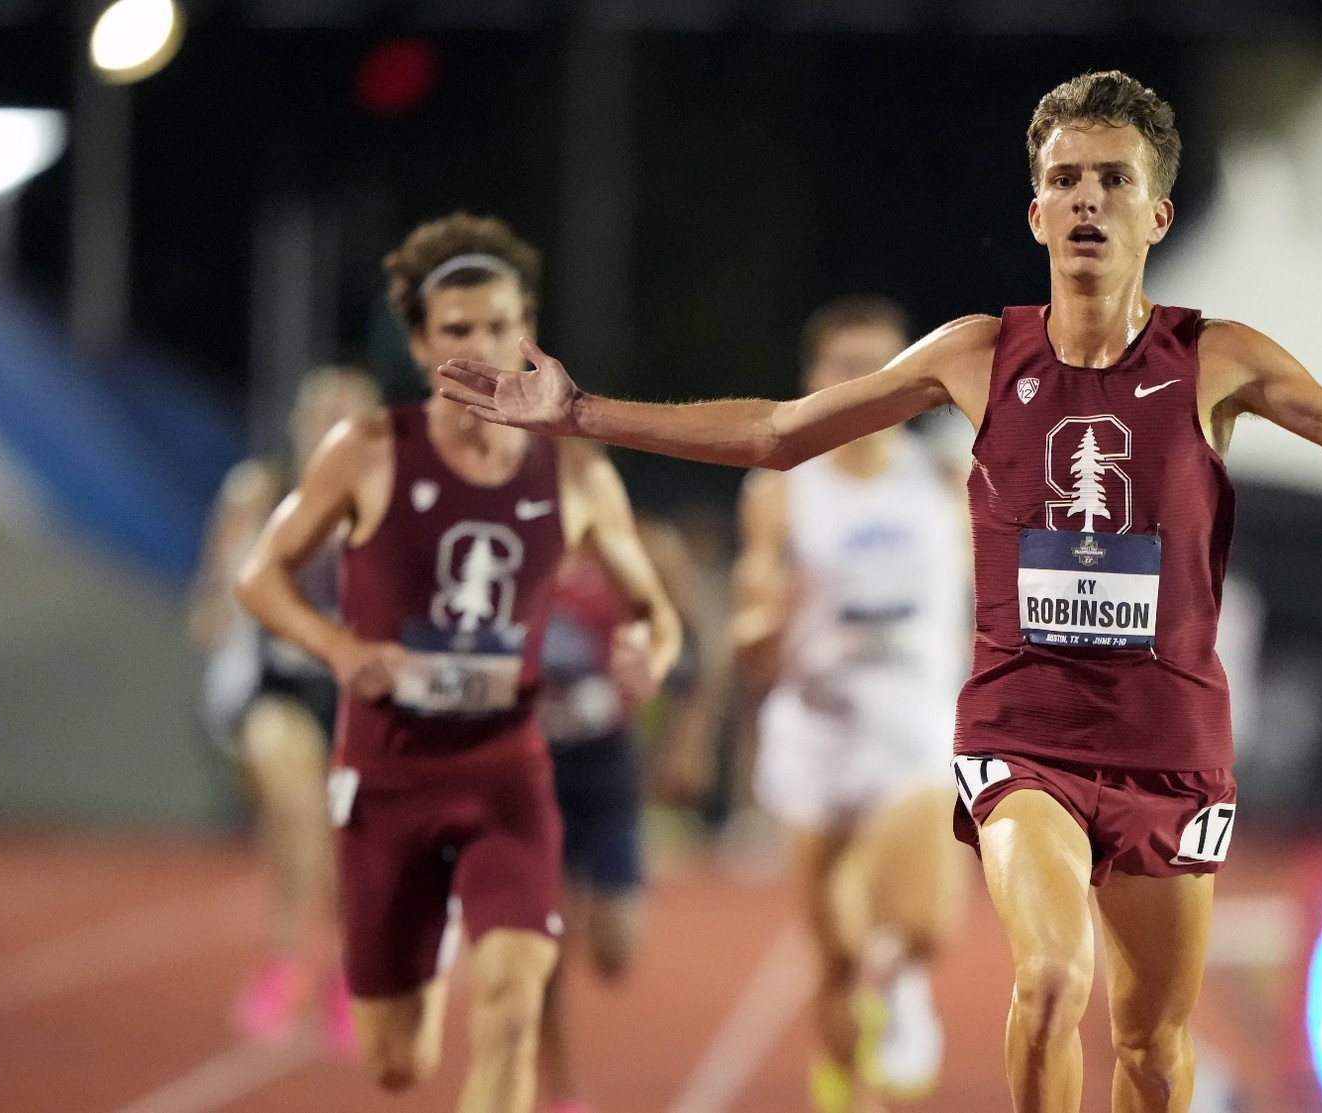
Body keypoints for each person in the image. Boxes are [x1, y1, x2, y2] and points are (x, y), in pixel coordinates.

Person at [437, 71, 1322, 1113]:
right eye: (1061, 178)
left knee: (1151, 1046)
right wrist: (585, 411)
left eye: (1110, 181)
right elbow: (782, 431)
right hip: (1022, 741)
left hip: (1173, 751)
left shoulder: (1217, 361)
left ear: (1153, 215)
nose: (1083, 199)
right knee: (1051, 980)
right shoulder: (970, 355)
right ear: (1033, 210)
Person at [238, 213, 681, 1113]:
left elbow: (655, 612)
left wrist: (649, 655)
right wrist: (340, 648)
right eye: (456, 331)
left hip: (507, 772)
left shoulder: (576, 475)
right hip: (387, 772)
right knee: (397, 1059)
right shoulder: (367, 450)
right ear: (418, 343)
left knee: (515, 1004)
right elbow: (261, 575)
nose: (480, 348)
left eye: (498, 327)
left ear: (528, 330)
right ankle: (411, 947)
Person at [732, 297, 970, 1113]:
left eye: (883, 365)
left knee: (925, 923)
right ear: (813, 382)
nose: (866, 382)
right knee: (831, 954)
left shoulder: (945, 481)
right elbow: (748, 634)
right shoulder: (783, 492)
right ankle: (847, 1093)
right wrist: (772, 620)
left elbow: (1007, 599)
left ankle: (904, 981)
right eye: (846, 366)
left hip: (912, 730)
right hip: (815, 738)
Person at [192, 365, 380, 1050]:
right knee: (294, 800)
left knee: (339, 841)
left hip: (356, 694)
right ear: (298, 423)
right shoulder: (260, 490)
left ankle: (342, 968)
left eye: (347, 411)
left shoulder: (386, 502)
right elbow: (213, 596)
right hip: (278, 683)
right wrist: (220, 611)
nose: (331, 423)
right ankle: (283, 959)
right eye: (319, 410)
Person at [534, 499, 729, 1113]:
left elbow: (700, 639)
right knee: (544, 942)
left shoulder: (639, 547)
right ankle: (562, 1085)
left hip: (606, 765)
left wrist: (688, 735)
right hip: (530, 770)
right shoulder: (513, 540)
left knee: (616, 953)